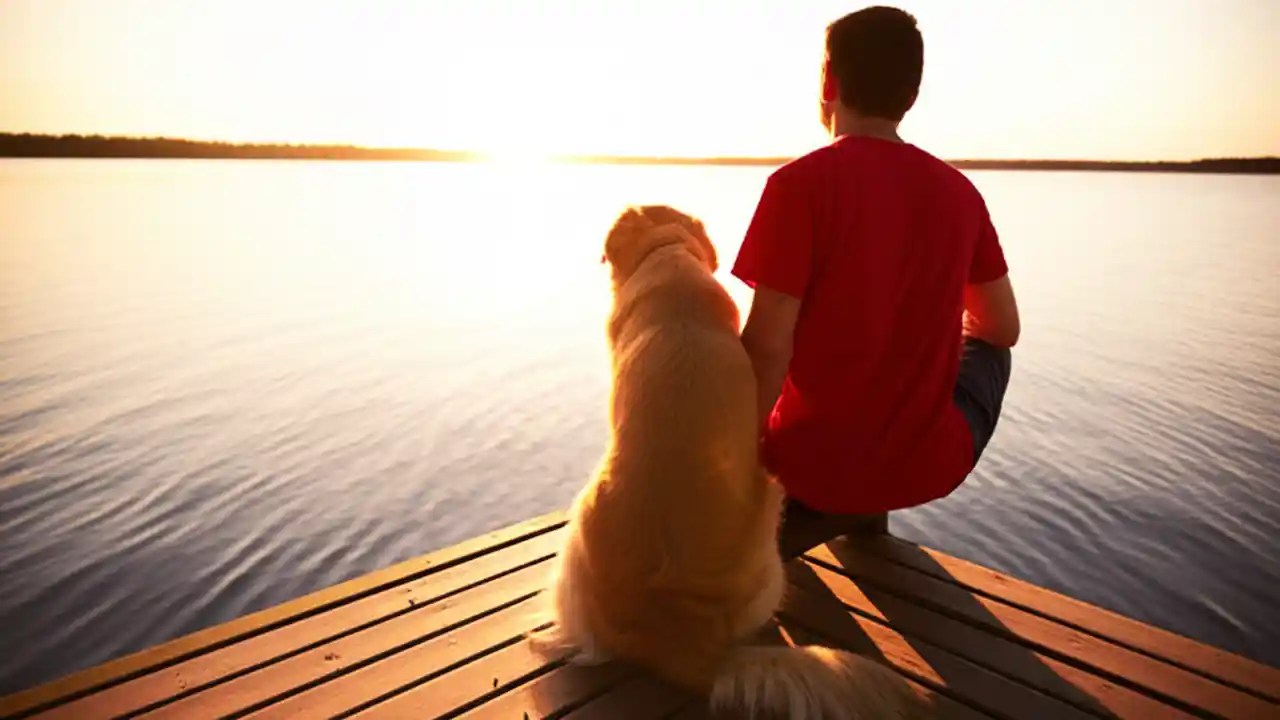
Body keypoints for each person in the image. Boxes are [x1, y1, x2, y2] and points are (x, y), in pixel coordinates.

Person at [733, 6, 1021, 558]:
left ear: (828, 82)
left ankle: (809, 513)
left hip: (807, 467)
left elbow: (768, 348)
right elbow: (1002, 328)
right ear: (910, 96)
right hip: (923, 467)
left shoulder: (797, 187)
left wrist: (740, 467)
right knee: (988, 348)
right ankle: (869, 510)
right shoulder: (960, 194)